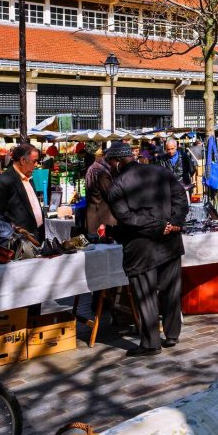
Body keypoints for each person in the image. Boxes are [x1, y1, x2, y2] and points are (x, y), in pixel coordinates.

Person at [104, 142, 188, 357]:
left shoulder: (117, 185)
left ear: (117, 161)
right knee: (170, 290)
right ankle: (172, 334)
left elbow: (127, 218)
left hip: (141, 247)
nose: (109, 166)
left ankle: (151, 343)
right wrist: (172, 223)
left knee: (146, 294)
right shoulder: (160, 171)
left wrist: (166, 225)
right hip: (168, 241)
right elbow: (180, 198)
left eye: (110, 162)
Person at [0, 143, 44, 240]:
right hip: (18, 241)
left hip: (36, 237)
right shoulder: (4, 181)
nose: (36, 165)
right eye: (34, 161)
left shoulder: (28, 177)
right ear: (22, 160)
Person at [85, 145, 117, 237]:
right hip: (101, 217)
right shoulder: (101, 171)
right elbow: (110, 193)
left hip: (94, 215)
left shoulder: (93, 168)